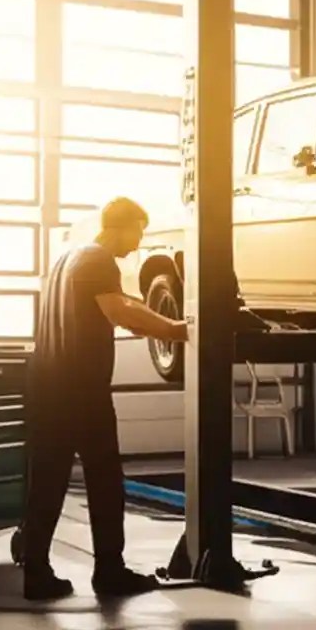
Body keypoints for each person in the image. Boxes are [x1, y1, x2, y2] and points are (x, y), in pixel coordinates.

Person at [22, 197, 189, 601]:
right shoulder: (100, 260)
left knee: (46, 483)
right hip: (82, 392)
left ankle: (36, 572)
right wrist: (175, 330)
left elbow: (117, 306)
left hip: (48, 386)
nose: (138, 244)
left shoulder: (67, 259)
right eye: (138, 232)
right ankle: (110, 572)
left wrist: (141, 314)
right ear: (123, 225)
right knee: (105, 482)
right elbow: (120, 312)